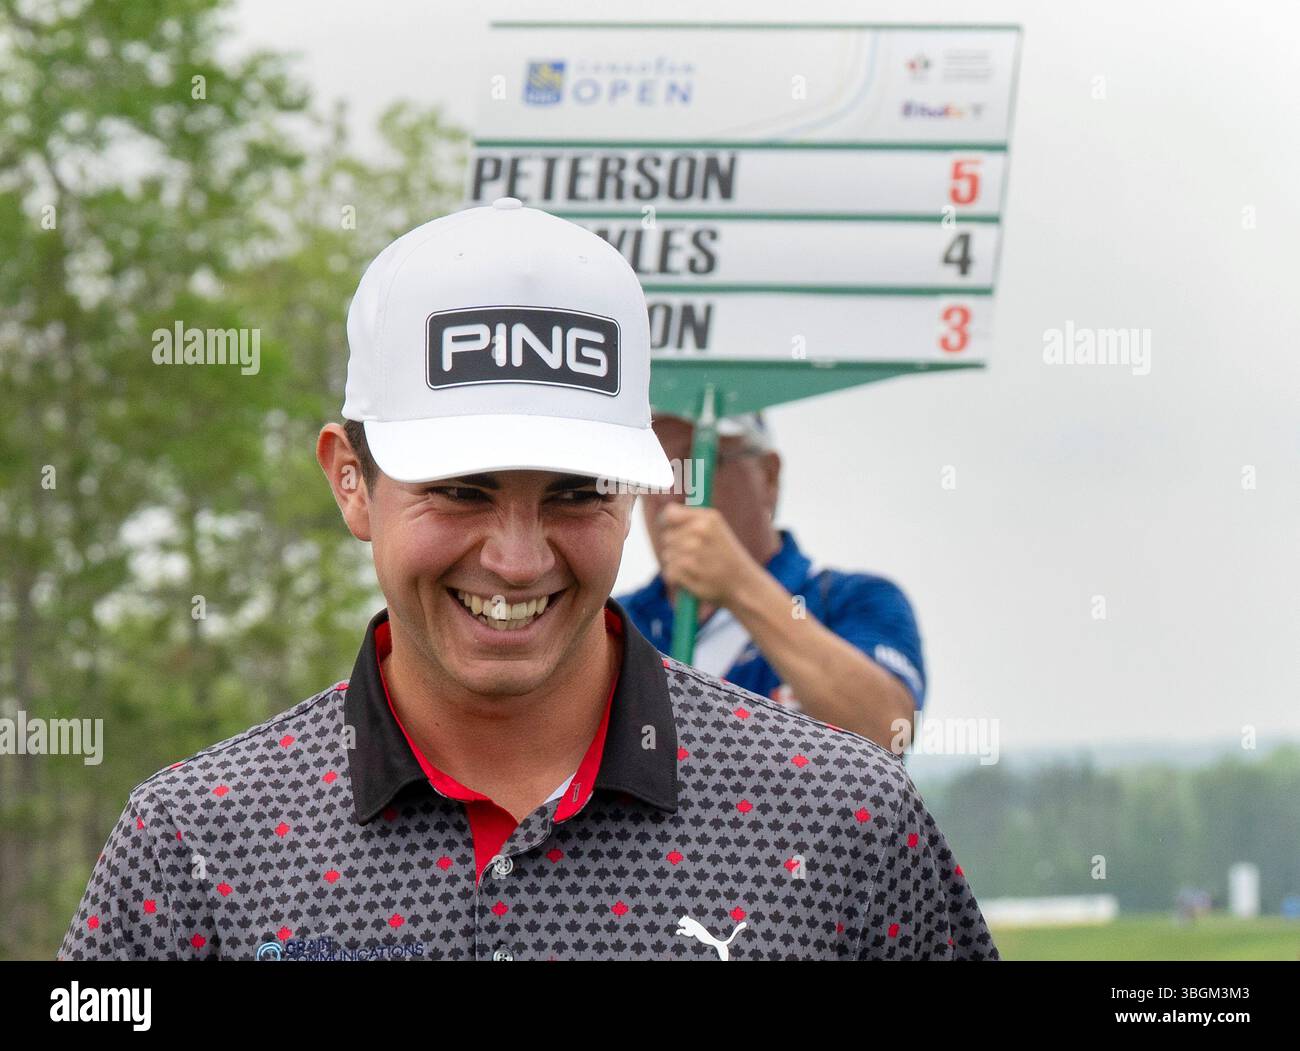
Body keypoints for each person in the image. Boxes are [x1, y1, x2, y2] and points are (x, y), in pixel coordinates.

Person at [58, 198, 997, 961]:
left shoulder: (848, 821)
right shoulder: (193, 845)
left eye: (576, 494)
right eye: (461, 491)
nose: (517, 557)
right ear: (351, 479)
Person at [619, 411, 926, 752]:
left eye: (701, 461)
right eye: (656, 468)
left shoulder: (853, 600)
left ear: (769, 475)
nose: (673, 493)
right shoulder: (612, 621)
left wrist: (740, 585)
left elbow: (888, 732)